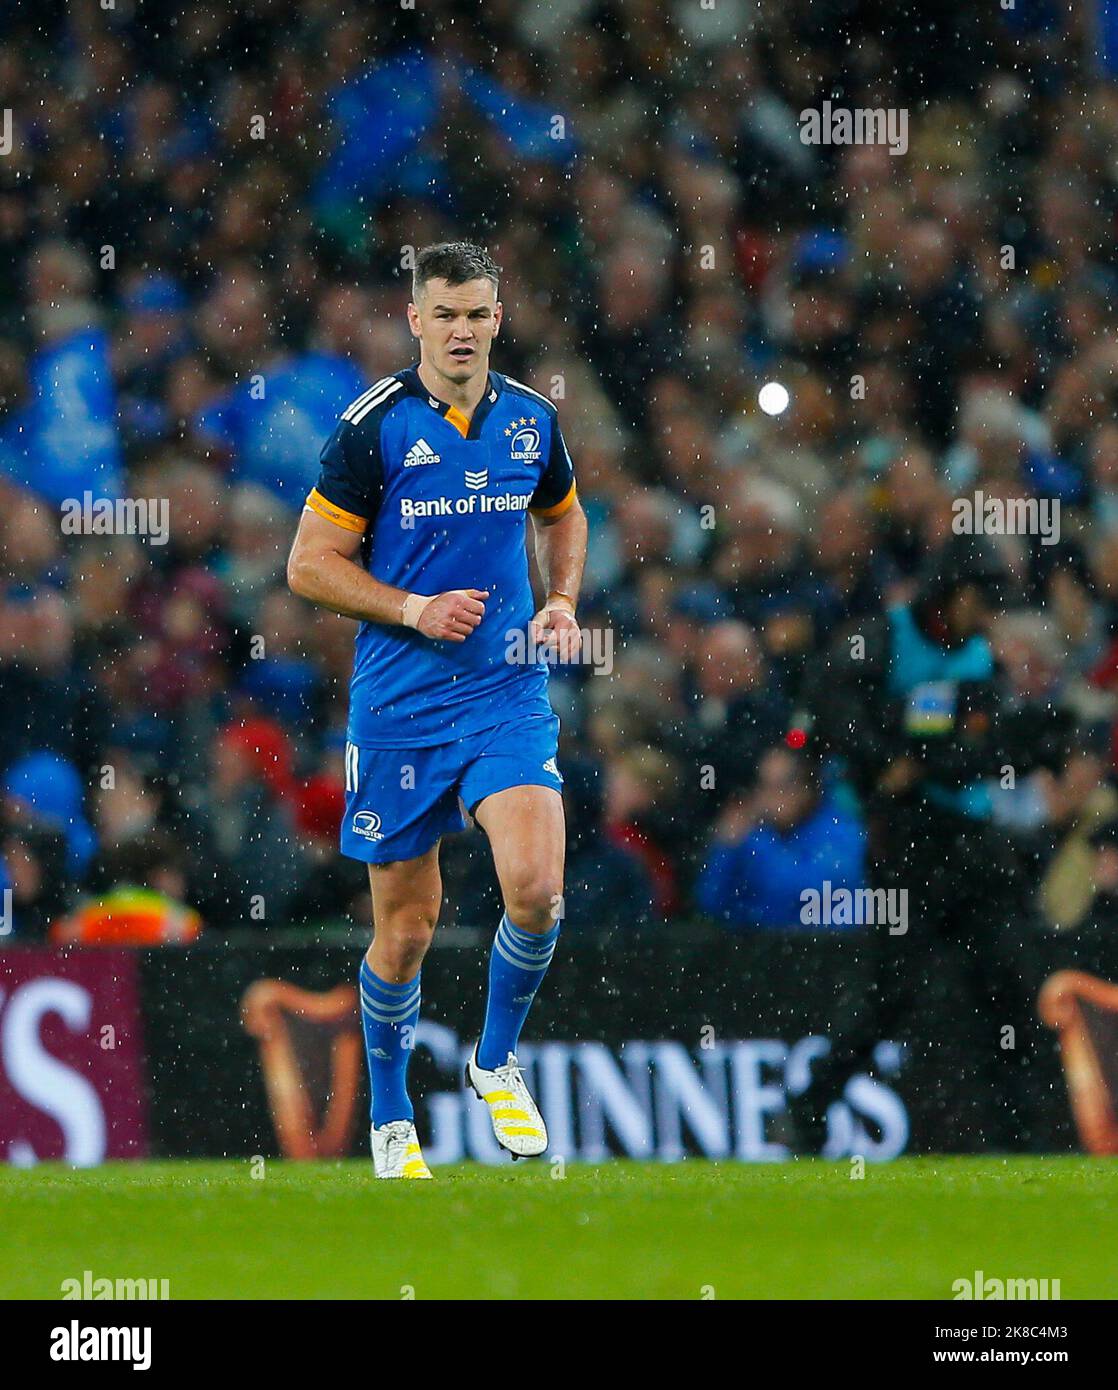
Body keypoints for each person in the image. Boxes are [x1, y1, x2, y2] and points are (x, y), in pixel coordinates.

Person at [287, 242, 588, 1178]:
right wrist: (414, 608)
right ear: (414, 319)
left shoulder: (533, 422)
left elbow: (564, 512)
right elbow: (307, 565)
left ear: (500, 319)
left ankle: (495, 1062)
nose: (462, 331)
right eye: (444, 314)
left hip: (504, 692)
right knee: (408, 928)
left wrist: (564, 601)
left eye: (478, 314)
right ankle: (388, 1111)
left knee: (537, 890)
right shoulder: (373, 428)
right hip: (401, 707)